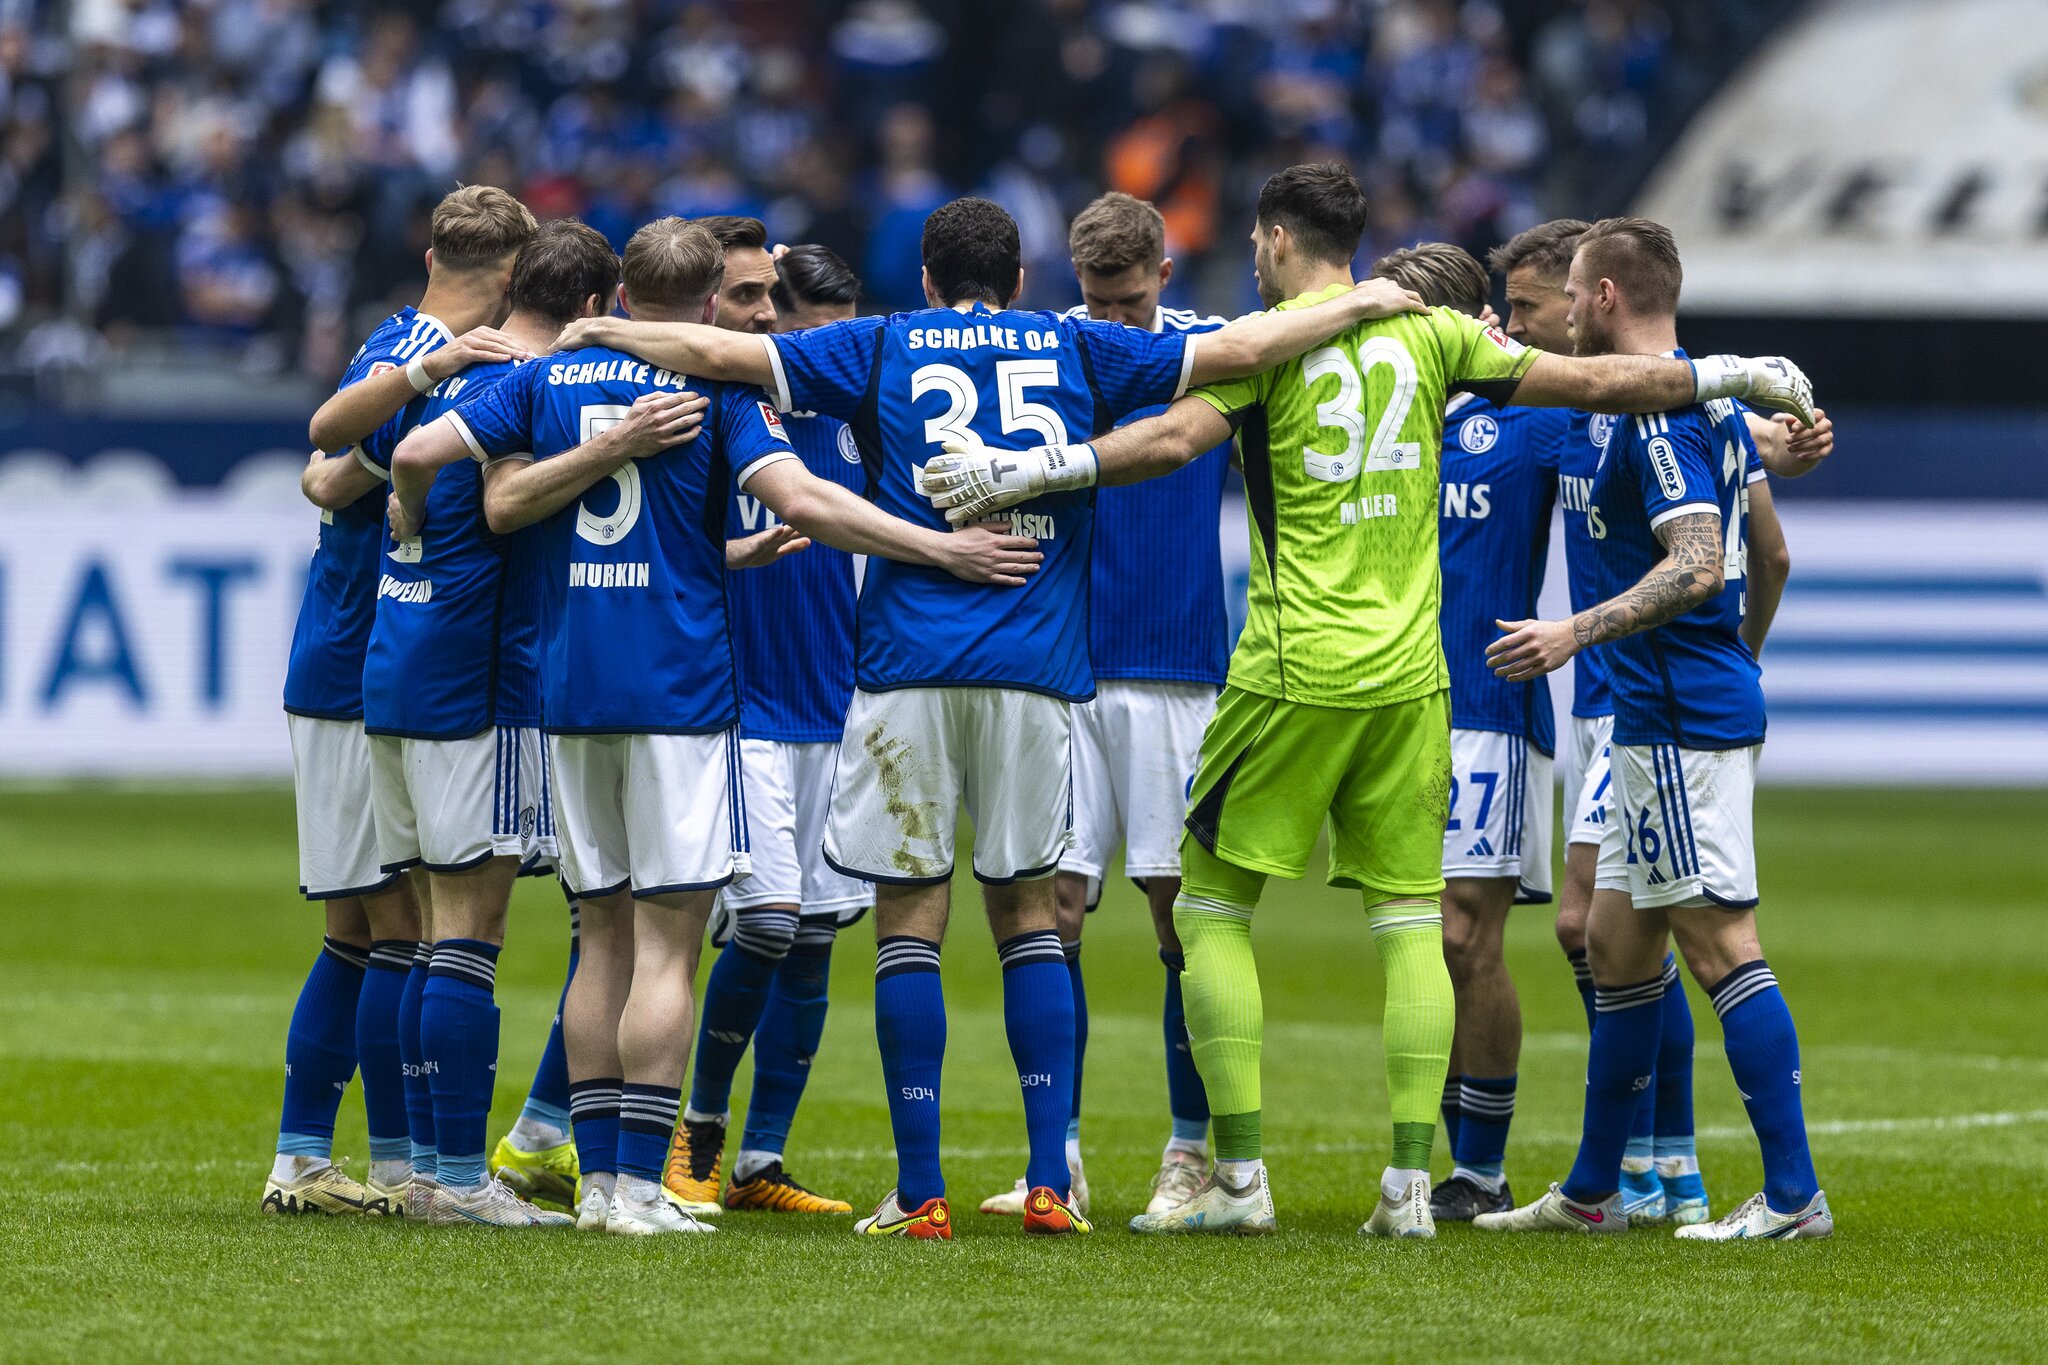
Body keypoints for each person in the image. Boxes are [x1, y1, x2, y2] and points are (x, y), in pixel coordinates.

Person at [921, 162, 1815, 1240]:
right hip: (1413, 680)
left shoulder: (1268, 343)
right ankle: (1408, 1191)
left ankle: (1235, 1177)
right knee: (1406, 922)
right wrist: (1729, 376)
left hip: (1292, 666)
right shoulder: (1437, 340)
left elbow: (1166, 442)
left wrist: (1028, 473)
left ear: (1271, 240)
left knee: (1206, 908)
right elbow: (1594, 389)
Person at [548, 195, 1431, 1239]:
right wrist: (1366, 298)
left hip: (905, 669)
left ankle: (918, 1191)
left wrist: (607, 328)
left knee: (907, 927)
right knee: (1027, 923)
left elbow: (731, 358)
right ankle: (1049, 1179)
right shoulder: (1078, 345)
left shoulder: (879, 340)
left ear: (924, 280)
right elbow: (1243, 344)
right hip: (1035, 669)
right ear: (1019, 281)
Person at [401, 216, 1040, 1237]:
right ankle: (636, 1185)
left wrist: (411, 512)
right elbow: (807, 503)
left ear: (615, 295)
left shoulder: (540, 380)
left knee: (599, 939)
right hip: (679, 697)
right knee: (666, 949)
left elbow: (443, 463)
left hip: (568, 696)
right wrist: (935, 548)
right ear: (706, 306)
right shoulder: (714, 395)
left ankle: (601, 1181)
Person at [1477, 217, 1831, 1240]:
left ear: (1601, 298)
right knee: (1613, 945)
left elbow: (1691, 562)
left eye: (1569, 294)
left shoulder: (1661, 417)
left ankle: (1793, 1193)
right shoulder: (1689, 397)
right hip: (1652, 716)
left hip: (1675, 715)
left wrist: (1566, 633)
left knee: (1721, 947)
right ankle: (1592, 1191)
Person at [263, 185, 537, 1217]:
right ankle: (372, 1163)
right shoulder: (419, 355)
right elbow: (325, 478)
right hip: (355, 663)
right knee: (385, 925)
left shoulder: (398, 335)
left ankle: (378, 1161)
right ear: (512, 276)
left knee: (382, 925)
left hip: (367, 658)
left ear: (430, 252)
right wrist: (423, 390)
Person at [367, 221, 632, 1228]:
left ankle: (421, 1169)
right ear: (596, 305)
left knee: (433, 935)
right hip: (475, 679)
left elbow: (371, 455)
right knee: (469, 935)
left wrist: (402, 507)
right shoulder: (523, 383)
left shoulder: (445, 369)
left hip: (399, 667)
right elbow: (452, 470)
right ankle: (455, 1179)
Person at [977, 192, 1232, 1221]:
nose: (1114, 323)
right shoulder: (1048, 351)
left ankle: (1187, 1155)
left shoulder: (1215, 349)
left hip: (1177, 666)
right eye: (1095, 302)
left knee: (1181, 918)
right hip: (1065, 665)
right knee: (1056, 914)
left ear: (1164, 277)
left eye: (1128, 301)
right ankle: (1060, 1159)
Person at [662, 229, 869, 1218]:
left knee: (818, 935)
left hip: (840, 705)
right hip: (742, 703)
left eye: (845, 341)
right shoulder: (729, 411)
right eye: (814, 342)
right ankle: (694, 1131)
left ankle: (760, 1162)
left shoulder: (868, 420)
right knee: (769, 923)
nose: (832, 363)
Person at [1369, 241, 1561, 1223]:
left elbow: (1636, 407)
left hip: (1485, 709)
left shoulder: (1523, 419)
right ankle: (1435, 1156)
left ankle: (1479, 1168)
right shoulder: (1372, 416)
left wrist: (1755, 448)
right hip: (1389, 703)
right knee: (1414, 939)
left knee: (1462, 937)